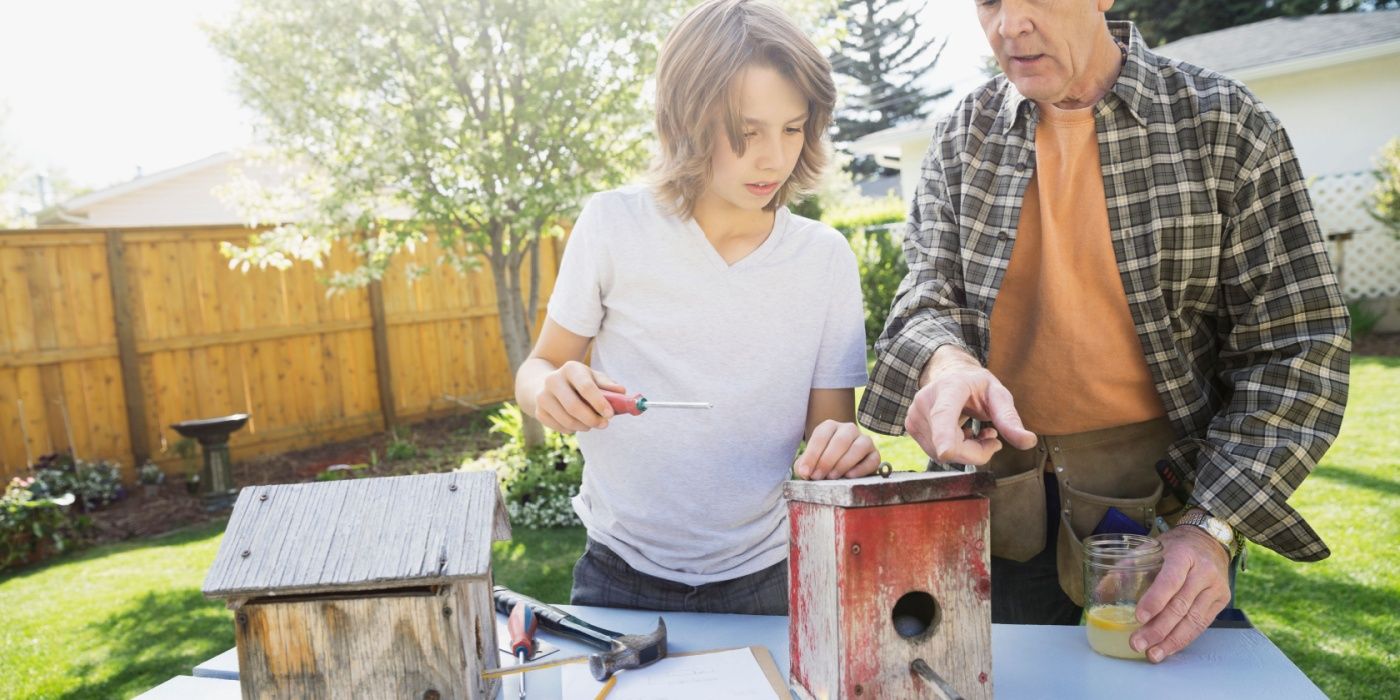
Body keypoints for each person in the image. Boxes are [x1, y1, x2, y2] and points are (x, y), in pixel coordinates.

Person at [859, 0, 1350, 662]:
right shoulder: (959, 139)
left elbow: (1298, 347)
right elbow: (925, 297)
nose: (1009, 24)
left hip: (1169, 520)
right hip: (994, 509)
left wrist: (1211, 527)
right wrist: (946, 365)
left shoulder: (1226, 125)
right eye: (989, 1)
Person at [514, 0, 879, 616]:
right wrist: (549, 390)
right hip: (618, 571)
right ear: (686, 119)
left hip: (771, 575)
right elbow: (539, 366)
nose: (773, 158)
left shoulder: (825, 260)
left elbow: (828, 438)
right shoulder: (612, 224)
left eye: (792, 129)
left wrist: (847, 454)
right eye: (746, 132)